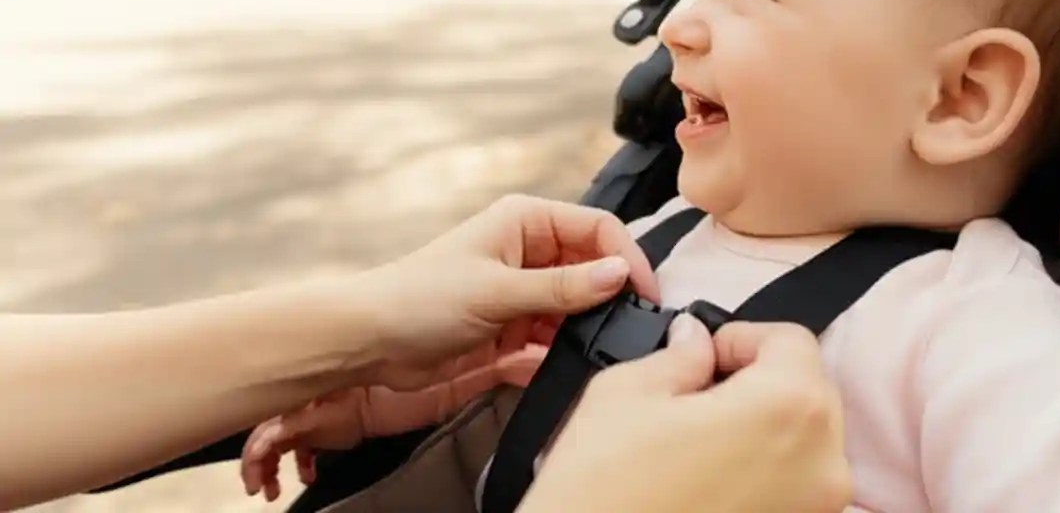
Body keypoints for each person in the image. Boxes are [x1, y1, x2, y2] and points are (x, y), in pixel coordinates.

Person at [242, 0, 1060, 511]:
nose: (682, 25)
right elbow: (529, 385)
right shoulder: (664, 235)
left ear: (959, 98)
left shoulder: (983, 330)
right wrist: (381, 416)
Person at [0, 194, 852, 513]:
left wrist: (368, 367)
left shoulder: (963, 319)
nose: (679, 26)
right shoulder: (673, 227)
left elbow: (534, 383)